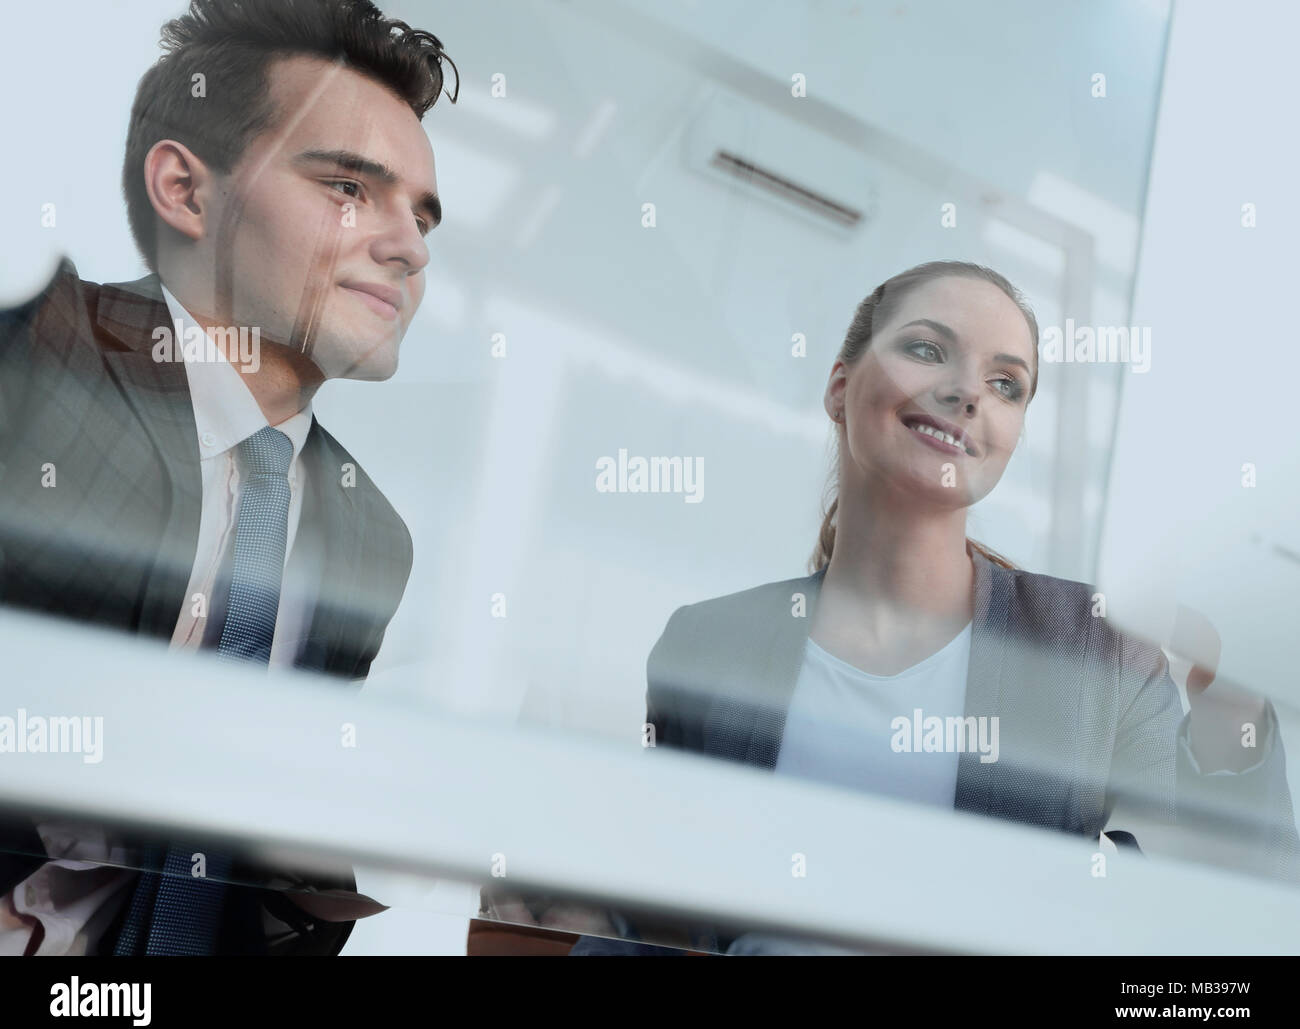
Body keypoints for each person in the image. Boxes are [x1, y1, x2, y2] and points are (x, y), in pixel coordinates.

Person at [567, 260, 1300, 955]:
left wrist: (1231, 688)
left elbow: (1210, 919)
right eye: (927, 348)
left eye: (1006, 384)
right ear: (838, 387)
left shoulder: (1092, 647)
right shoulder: (710, 642)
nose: (967, 392)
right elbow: (648, 922)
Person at [0, 0, 456, 955]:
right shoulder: (32, 361)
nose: (408, 247)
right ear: (185, 190)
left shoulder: (373, 534)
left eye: (420, 215)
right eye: (348, 187)